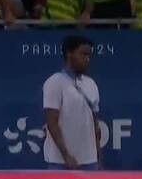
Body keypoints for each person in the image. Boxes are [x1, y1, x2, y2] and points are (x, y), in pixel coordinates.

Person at [42, 35, 101, 170]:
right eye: (83, 54)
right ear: (69, 54)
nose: (87, 59)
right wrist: (66, 155)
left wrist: (98, 156)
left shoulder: (91, 84)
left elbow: (95, 124)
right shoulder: (54, 82)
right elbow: (52, 123)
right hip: (60, 162)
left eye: (89, 55)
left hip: (89, 161)